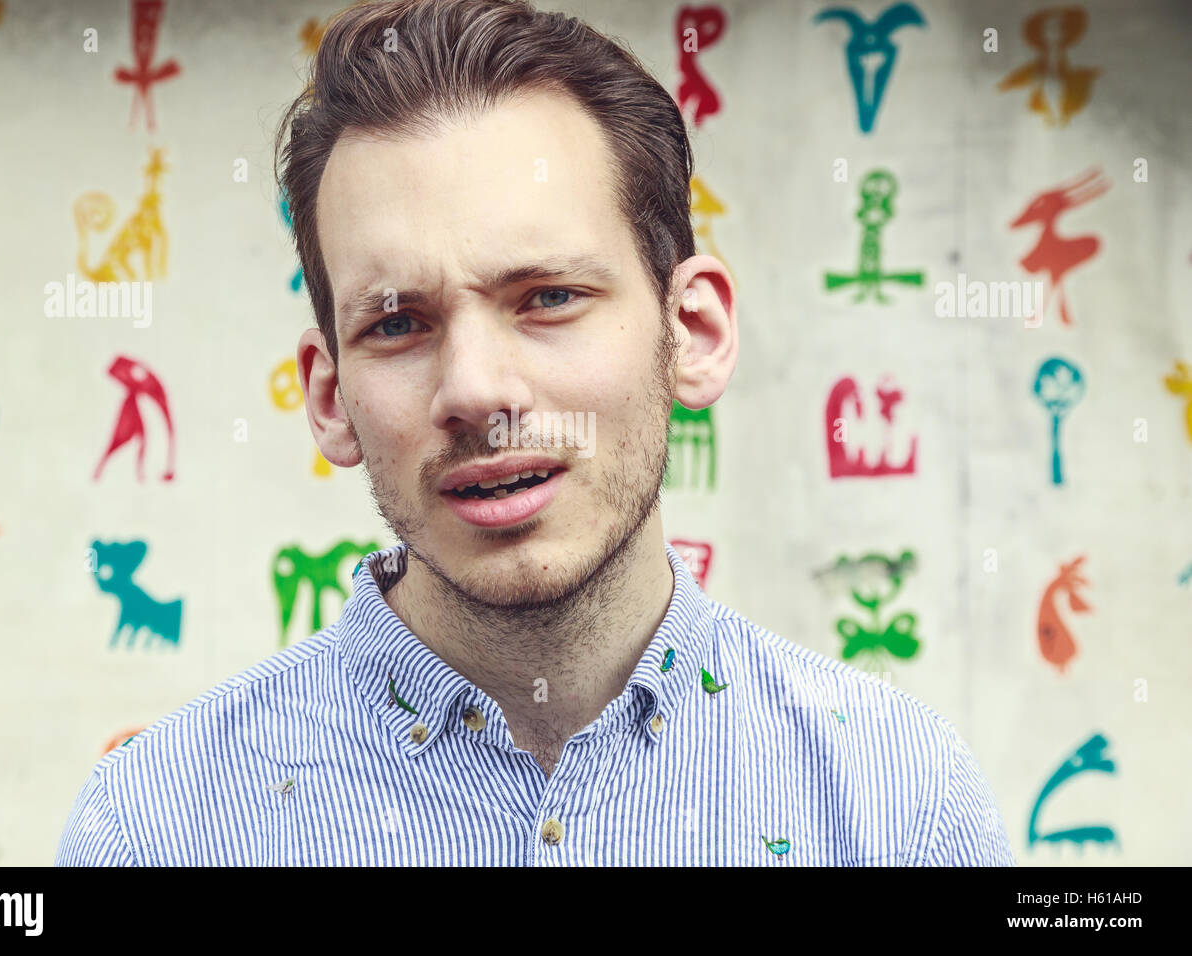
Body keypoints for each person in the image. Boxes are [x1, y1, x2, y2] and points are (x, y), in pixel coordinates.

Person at [55, 0, 1015, 866]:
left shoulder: (901, 809)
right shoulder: (157, 829)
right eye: (397, 323)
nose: (475, 390)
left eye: (548, 298)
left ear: (695, 333)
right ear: (331, 397)